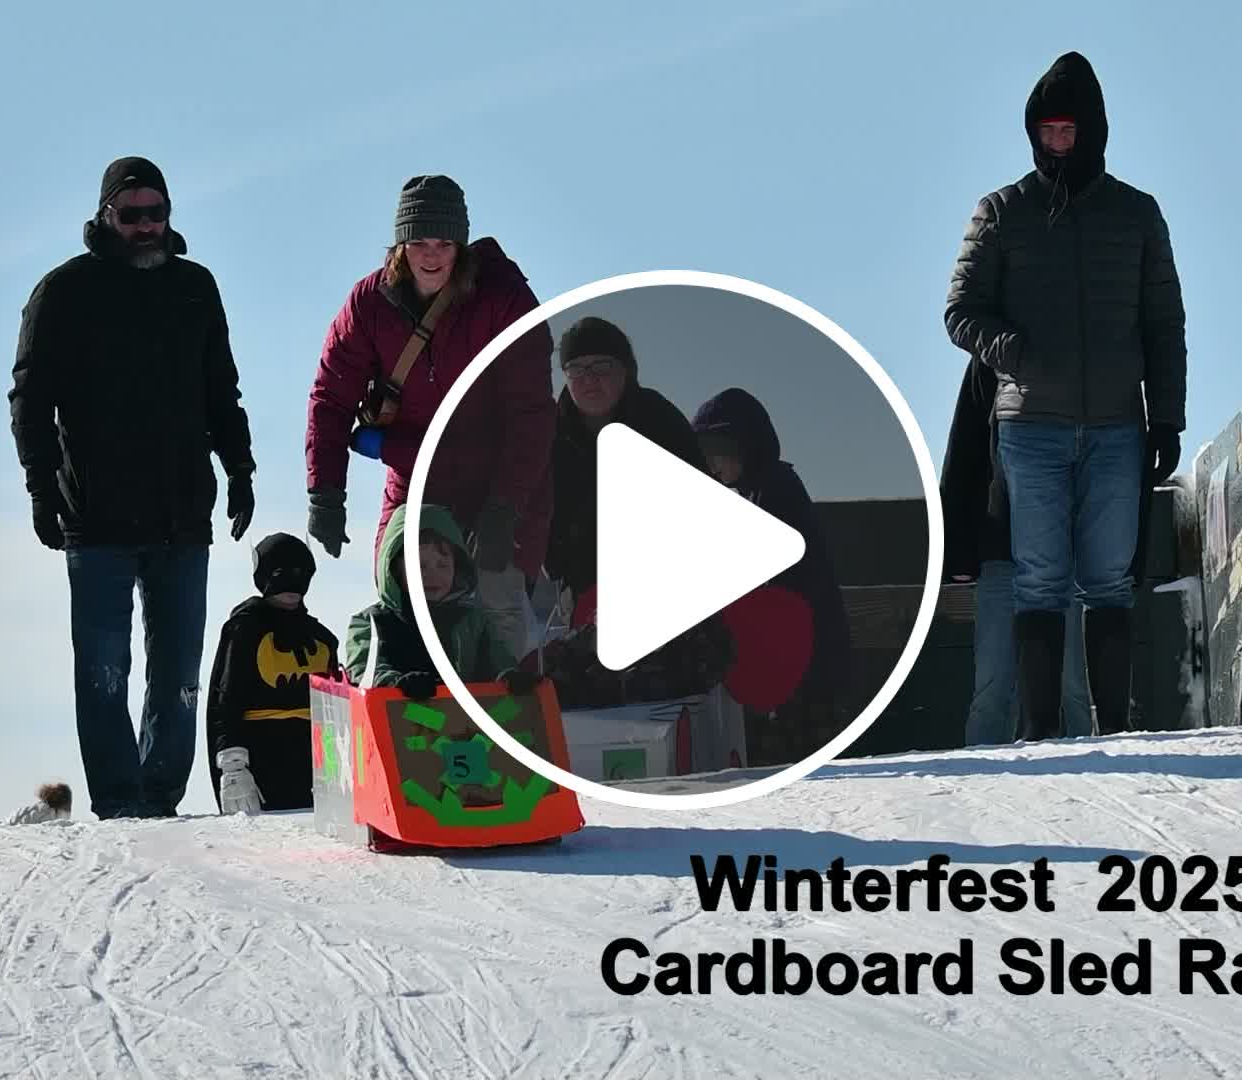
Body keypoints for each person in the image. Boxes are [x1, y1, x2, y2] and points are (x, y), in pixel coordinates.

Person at [942, 51, 1187, 740]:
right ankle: (1043, 736)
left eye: (1068, 129)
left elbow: (1165, 324)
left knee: (1110, 581)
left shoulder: (1137, 215)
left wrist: (1167, 418)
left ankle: (1114, 730)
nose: (1057, 142)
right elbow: (960, 311)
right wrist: (1015, 353)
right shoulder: (1001, 212)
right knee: (1039, 581)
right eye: (1046, 130)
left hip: (1116, 426)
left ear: (1093, 131)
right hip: (1030, 427)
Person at [9, 156, 257, 820]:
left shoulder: (195, 288)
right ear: (105, 216)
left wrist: (240, 468)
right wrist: (40, 485)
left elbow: (221, 388)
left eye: (156, 213)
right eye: (131, 214)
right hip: (96, 514)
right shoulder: (64, 292)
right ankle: (119, 801)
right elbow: (30, 399)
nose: (146, 226)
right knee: (103, 671)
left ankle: (160, 798)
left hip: (183, 510)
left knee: (177, 675)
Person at [305, 175, 556, 663]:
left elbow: (531, 414)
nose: (432, 256)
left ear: (461, 246)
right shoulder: (370, 304)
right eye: (420, 242)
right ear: (400, 245)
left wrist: (506, 508)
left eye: (444, 243)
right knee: (402, 611)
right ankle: (406, 703)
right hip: (416, 483)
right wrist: (326, 492)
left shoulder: (504, 300)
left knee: (497, 619)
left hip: (499, 483)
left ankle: (505, 708)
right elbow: (331, 398)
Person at [690, 388, 853, 765]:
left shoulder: (774, 489)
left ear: (743, 447)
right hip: (800, 658)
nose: (711, 465)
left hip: (803, 664)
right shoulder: (761, 488)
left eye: (717, 453)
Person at [940, 355, 1093, 743]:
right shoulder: (988, 360)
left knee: (1073, 686)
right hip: (1002, 544)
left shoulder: (1082, 347)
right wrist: (957, 552)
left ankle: (1098, 766)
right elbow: (964, 451)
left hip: (1063, 550)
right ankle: (983, 774)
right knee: (993, 686)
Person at [545, 316, 708, 609]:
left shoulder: (659, 420)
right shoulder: (550, 433)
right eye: (577, 369)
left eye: (601, 367)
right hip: (584, 587)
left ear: (626, 370)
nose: (589, 380)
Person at [203, 532, 341, 814]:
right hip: (261, 762)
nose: (292, 582)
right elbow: (226, 698)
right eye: (280, 573)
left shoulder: (323, 639)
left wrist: (336, 766)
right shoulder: (245, 630)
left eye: (301, 572)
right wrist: (232, 763)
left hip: (312, 767)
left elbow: (333, 712)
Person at [344, 503, 537, 699]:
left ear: (457, 568)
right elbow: (364, 665)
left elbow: (496, 657)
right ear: (395, 569)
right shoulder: (372, 623)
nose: (432, 575)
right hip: (400, 714)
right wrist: (394, 683)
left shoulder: (472, 621)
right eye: (420, 566)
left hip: (459, 715)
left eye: (442, 565)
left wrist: (508, 675)